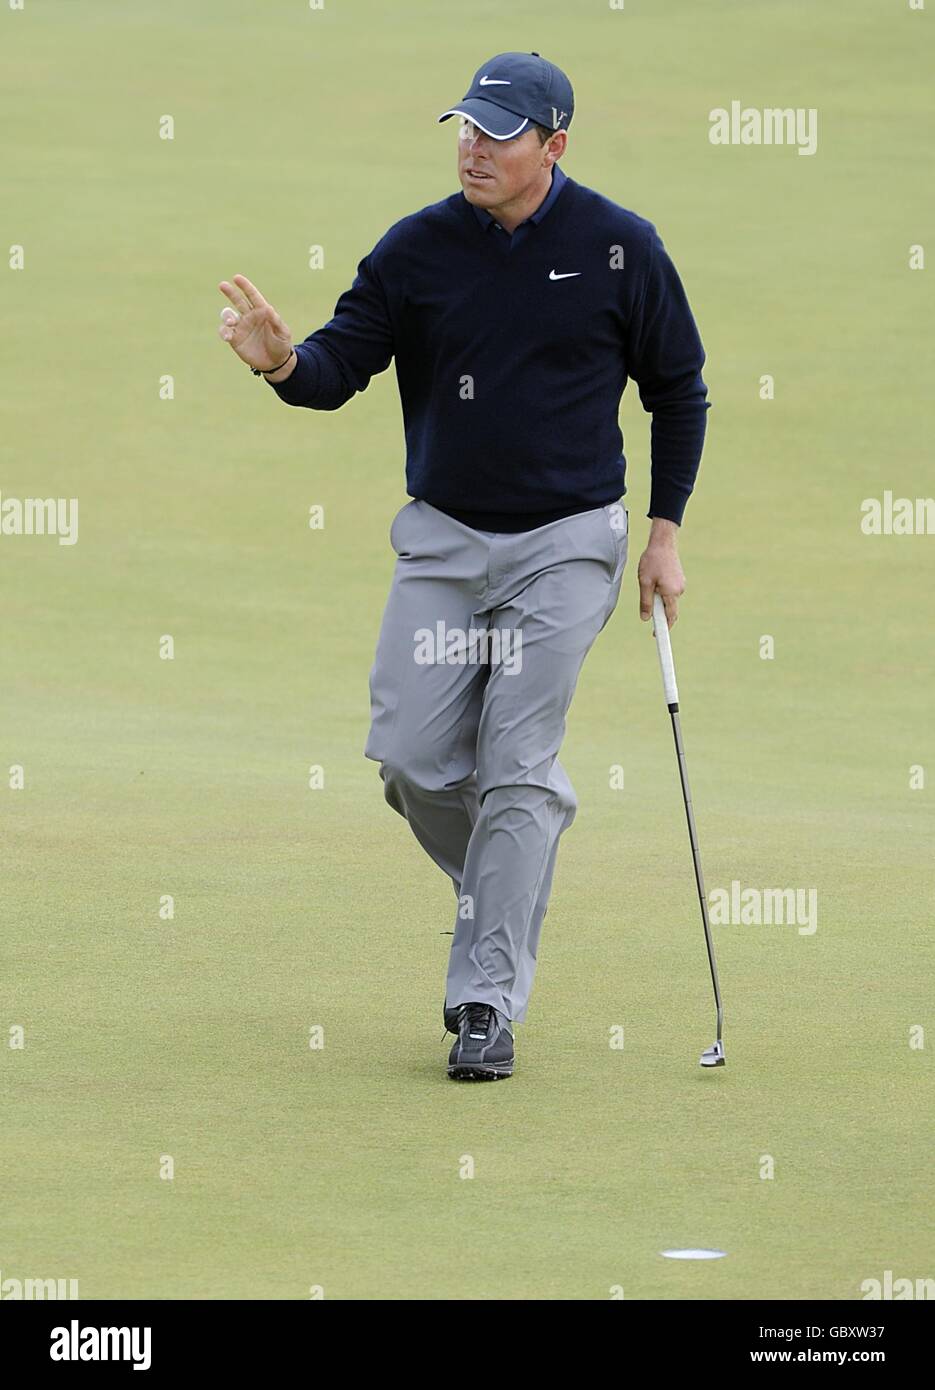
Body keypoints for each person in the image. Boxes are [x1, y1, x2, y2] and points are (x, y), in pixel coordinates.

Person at [218, 51, 710, 1082]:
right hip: (443, 544)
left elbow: (678, 388)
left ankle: (484, 999)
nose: (472, 146)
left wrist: (662, 534)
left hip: (567, 543)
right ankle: (507, 875)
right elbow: (335, 369)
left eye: (498, 132)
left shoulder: (619, 249)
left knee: (519, 766)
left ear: (554, 146)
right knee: (410, 757)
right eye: (464, 126)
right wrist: (278, 359)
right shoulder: (417, 250)